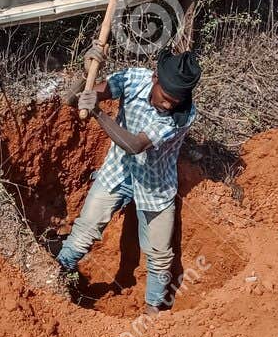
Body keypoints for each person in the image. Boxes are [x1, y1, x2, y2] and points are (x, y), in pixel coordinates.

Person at [57, 49, 201, 315]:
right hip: (118, 171)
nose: (169, 105)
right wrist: (90, 92)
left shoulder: (182, 116)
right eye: (166, 97)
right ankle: (56, 280)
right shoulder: (135, 78)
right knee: (84, 231)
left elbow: (135, 145)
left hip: (155, 186)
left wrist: (98, 113)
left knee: (160, 256)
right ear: (155, 78)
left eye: (175, 100)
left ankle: (152, 312)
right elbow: (106, 87)